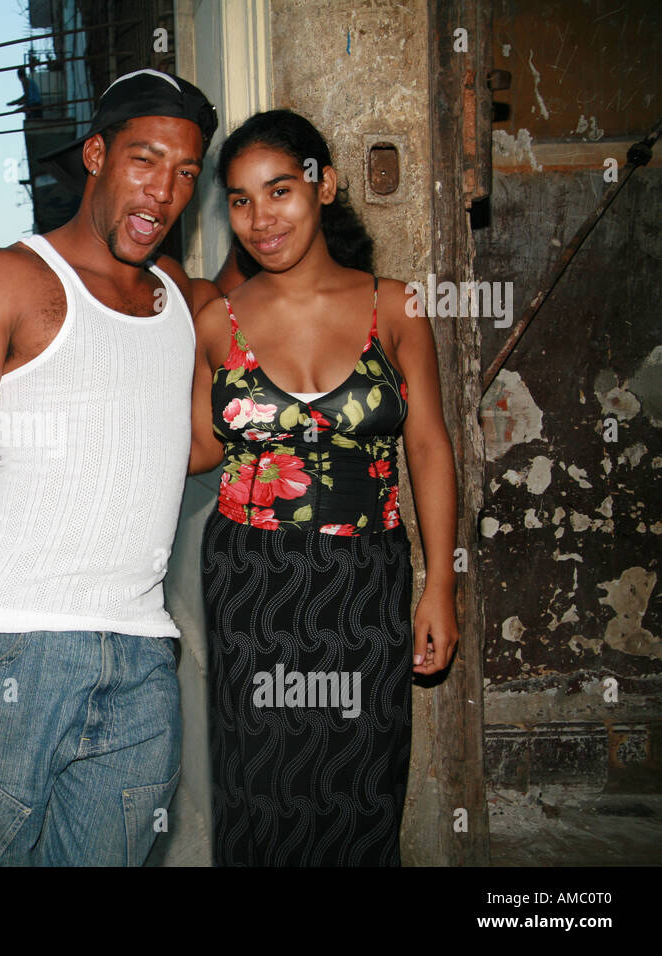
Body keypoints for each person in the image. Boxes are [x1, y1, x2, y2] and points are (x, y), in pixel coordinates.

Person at [0, 69, 217, 866]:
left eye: (185, 173)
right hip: (11, 647)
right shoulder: (6, 279)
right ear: (97, 155)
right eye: (145, 161)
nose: (164, 191)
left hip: (143, 653)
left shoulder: (176, 292)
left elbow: (189, 445)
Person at [188, 109, 460, 866]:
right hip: (250, 580)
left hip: (366, 577)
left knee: (360, 778)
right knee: (261, 780)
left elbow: (430, 446)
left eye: (279, 191)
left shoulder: (395, 307)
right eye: (240, 200)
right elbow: (199, 449)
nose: (259, 218)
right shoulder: (217, 321)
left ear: (324, 185)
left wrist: (441, 583)